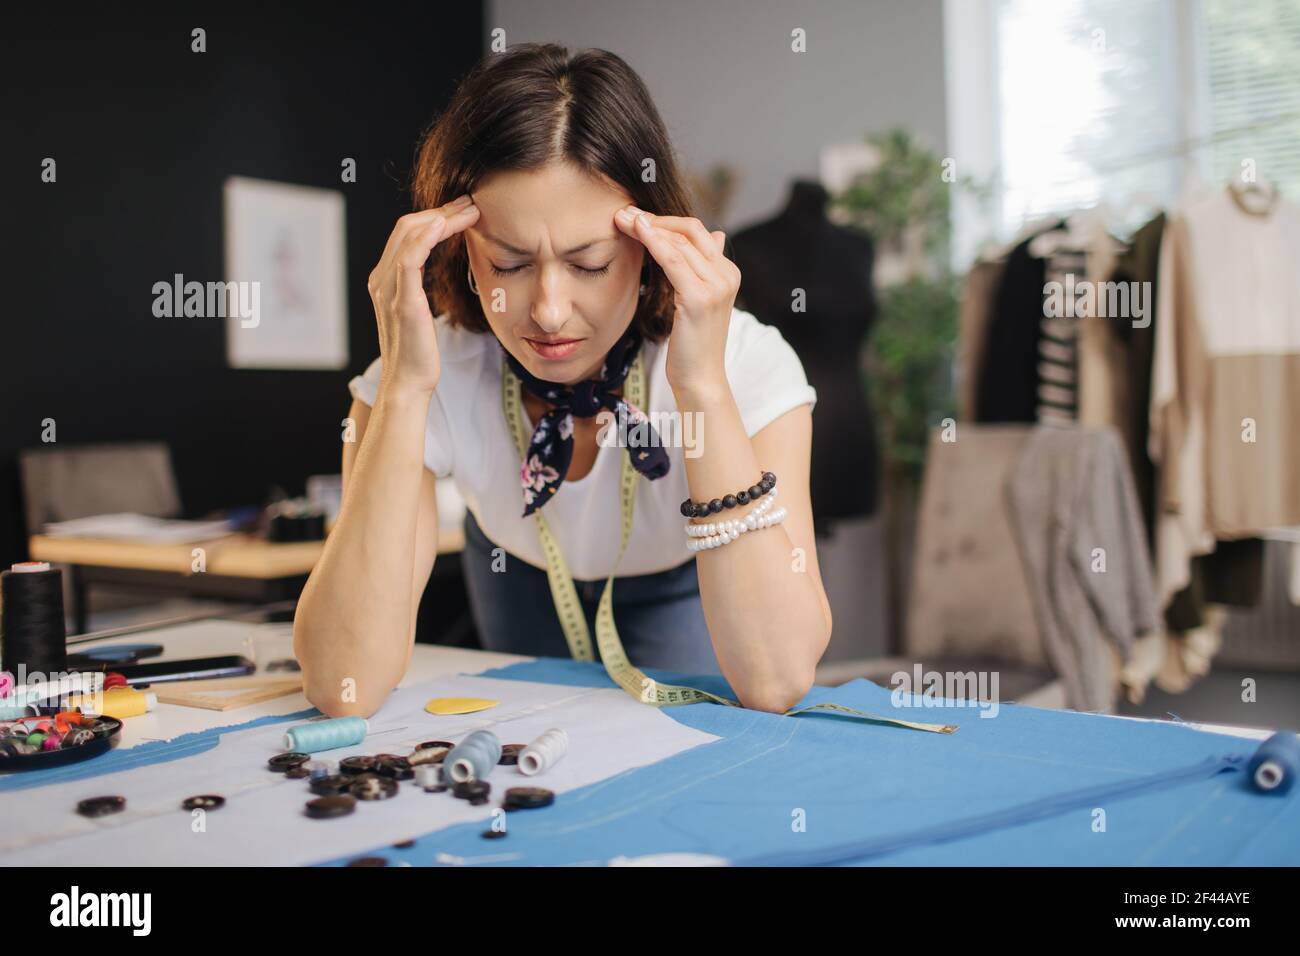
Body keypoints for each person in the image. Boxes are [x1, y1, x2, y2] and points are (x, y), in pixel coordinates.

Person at [293, 43, 831, 718]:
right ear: (460, 254)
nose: (548, 312)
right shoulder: (424, 373)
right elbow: (343, 687)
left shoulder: (750, 367)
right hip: (518, 571)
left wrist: (702, 389)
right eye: (510, 263)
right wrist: (401, 392)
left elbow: (777, 682)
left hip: (689, 578)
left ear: (650, 249)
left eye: (590, 263)